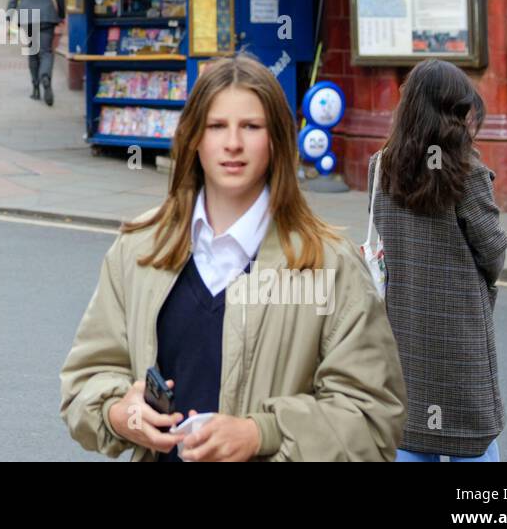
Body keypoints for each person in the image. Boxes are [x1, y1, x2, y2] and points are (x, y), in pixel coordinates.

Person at [60, 54, 406, 461]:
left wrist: (262, 433)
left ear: (276, 139)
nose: (233, 144)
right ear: (193, 138)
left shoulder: (330, 266)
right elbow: (86, 380)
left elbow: (372, 419)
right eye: (217, 126)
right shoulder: (138, 250)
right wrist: (121, 414)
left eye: (251, 127)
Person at [369, 58, 507, 462]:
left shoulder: (381, 167)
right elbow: (494, 252)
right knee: (473, 437)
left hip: (403, 325)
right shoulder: (467, 172)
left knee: (410, 434)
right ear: (452, 112)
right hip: (458, 331)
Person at [8, 0, 66, 106]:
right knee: (46, 51)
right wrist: (61, 14)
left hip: (27, 17)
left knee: (33, 52)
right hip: (47, 16)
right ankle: (45, 77)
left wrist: (8, 15)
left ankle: (35, 88)